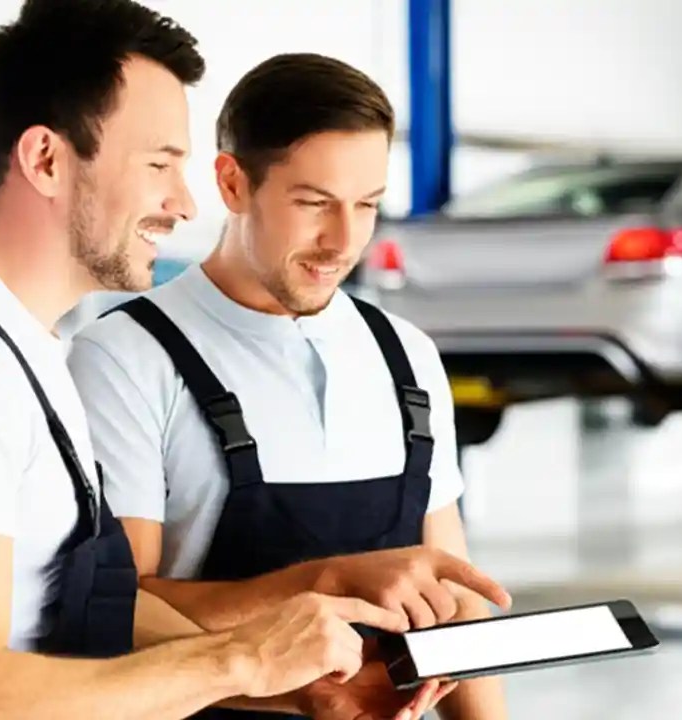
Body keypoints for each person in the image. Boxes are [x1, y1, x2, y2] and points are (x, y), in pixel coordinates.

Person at [0, 3, 450, 719]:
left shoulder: (14, 350)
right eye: (159, 164)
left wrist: (304, 690)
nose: (184, 201)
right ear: (46, 160)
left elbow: (95, 614)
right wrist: (246, 659)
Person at [67, 53, 512, 720]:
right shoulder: (125, 359)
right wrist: (323, 589)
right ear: (232, 182)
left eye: (367, 205)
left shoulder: (408, 358)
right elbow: (112, 611)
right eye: (313, 203)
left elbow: (454, 603)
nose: (343, 240)